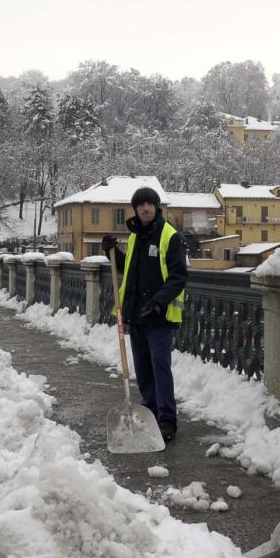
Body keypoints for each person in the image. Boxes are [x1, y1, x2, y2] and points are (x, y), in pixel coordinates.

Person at [101, 186, 188, 443]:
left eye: (149, 204)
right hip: (137, 315)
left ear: (156, 207)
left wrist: (159, 301)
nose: (145, 209)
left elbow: (178, 276)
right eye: (140, 206)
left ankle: (167, 420)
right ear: (136, 210)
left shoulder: (169, 236)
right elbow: (129, 270)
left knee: (160, 368)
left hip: (159, 316)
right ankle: (149, 412)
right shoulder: (136, 236)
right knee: (143, 368)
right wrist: (111, 253)